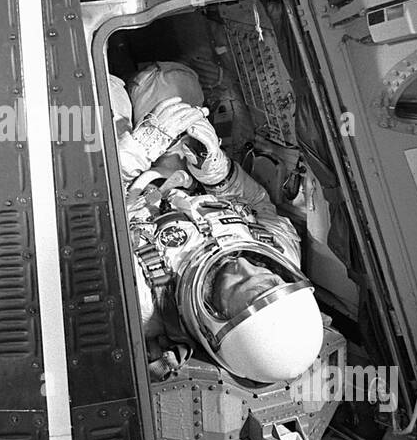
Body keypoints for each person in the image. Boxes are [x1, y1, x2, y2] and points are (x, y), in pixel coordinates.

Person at [111, 62, 324, 384]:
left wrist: (136, 150)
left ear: (213, 317)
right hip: (185, 170)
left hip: (119, 181)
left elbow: (80, 211)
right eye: (267, 279)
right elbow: (257, 203)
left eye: (237, 285)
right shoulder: (279, 250)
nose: (243, 264)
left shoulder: (140, 303)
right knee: (171, 81)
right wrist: (217, 171)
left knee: (96, 97)